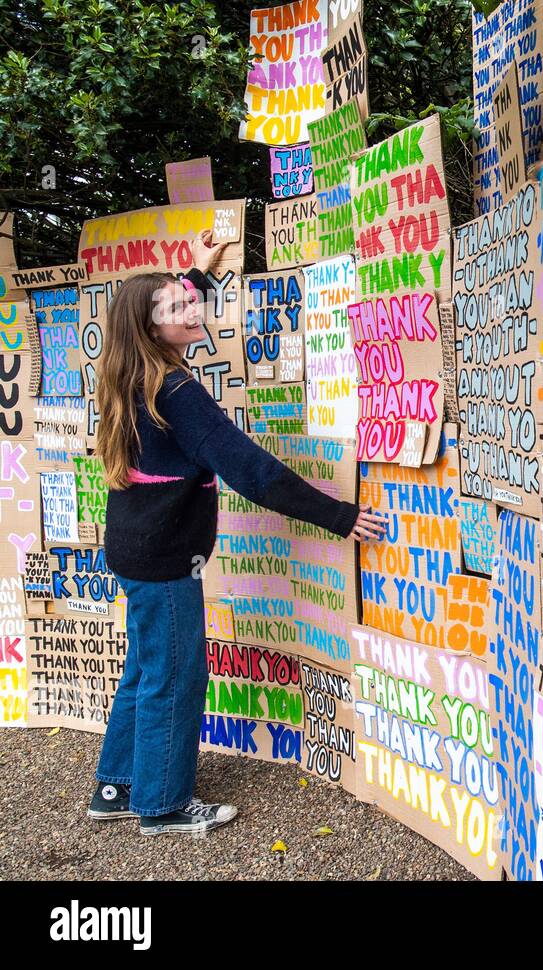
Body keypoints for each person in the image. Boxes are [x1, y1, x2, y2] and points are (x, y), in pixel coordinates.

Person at [87, 230, 386, 836]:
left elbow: (162, 309)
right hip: (167, 559)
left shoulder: (132, 372)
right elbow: (253, 471)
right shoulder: (177, 391)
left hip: (136, 550)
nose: (192, 308)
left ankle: (117, 787)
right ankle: (161, 805)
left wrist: (198, 272)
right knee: (174, 676)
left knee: (147, 669)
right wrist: (340, 515)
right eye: (178, 307)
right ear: (151, 328)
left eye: (189, 299)